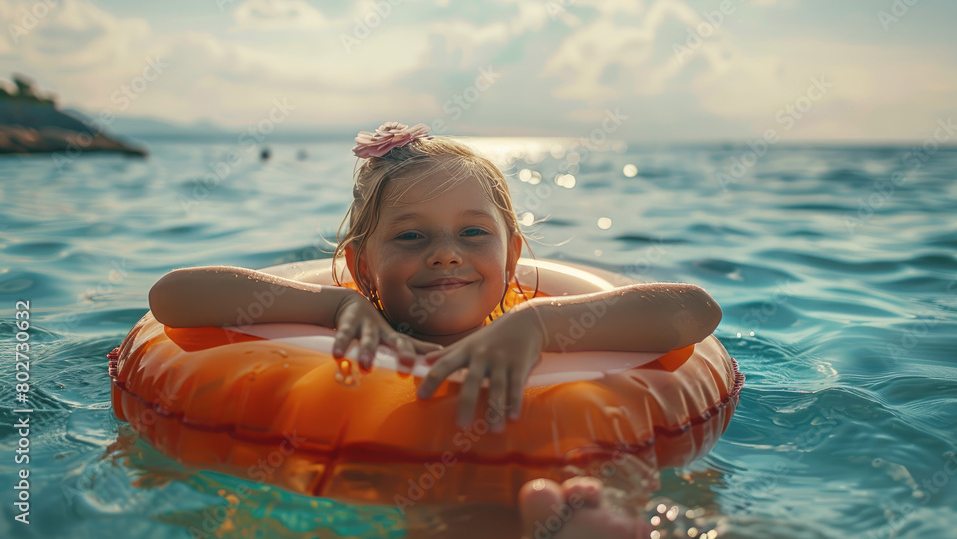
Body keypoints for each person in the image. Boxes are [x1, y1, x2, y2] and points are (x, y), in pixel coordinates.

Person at [148, 121, 721, 538]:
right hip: (424, 471)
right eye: (410, 236)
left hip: (558, 451)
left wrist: (541, 323)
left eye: (473, 233)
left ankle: (594, 520)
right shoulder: (359, 329)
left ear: (511, 256)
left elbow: (695, 311)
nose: (446, 254)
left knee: (610, 480)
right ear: (361, 268)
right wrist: (332, 307)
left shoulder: (536, 326)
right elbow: (172, 296)